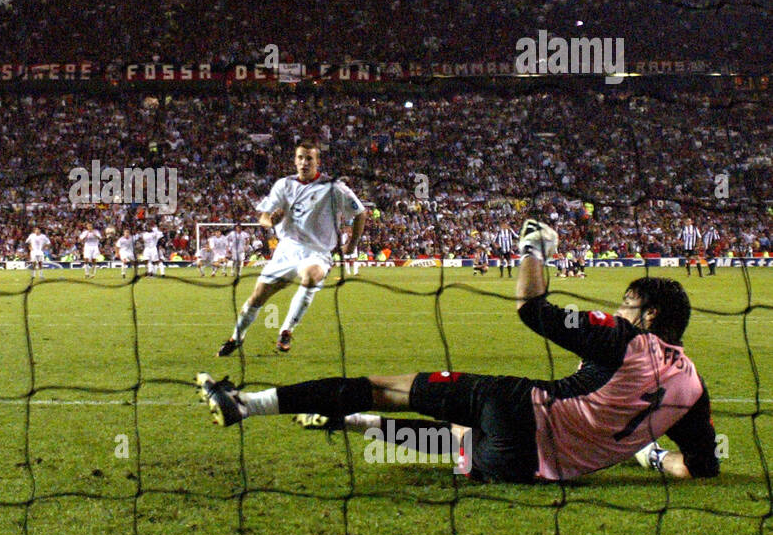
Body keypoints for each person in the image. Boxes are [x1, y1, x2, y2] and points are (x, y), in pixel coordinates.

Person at [198, 221, 719, 483]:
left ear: (648, 316)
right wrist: (653, 457)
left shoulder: (628, 339)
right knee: (456, 442)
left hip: (521, 407)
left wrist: (535, 246)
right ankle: (349, 421)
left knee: (385, 387)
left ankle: (246, 404)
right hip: (527, 469)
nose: (620, 311)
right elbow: (700, 467)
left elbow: (532, 308)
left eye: (627, 304)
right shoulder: (692, 389)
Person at [217, 140, 366, 356]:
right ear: (295, 160)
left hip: (317, 252)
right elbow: (263, 217)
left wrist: (351, 245)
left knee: (311, 276)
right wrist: (272, 221)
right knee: (256, 298)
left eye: (309, 158)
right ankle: (236, 338)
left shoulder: (333, 187)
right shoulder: (283, 185)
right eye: (300, 158)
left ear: (317, 161)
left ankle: (286, 330)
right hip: (286, 250)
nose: (304, 162)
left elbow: (360, 212)